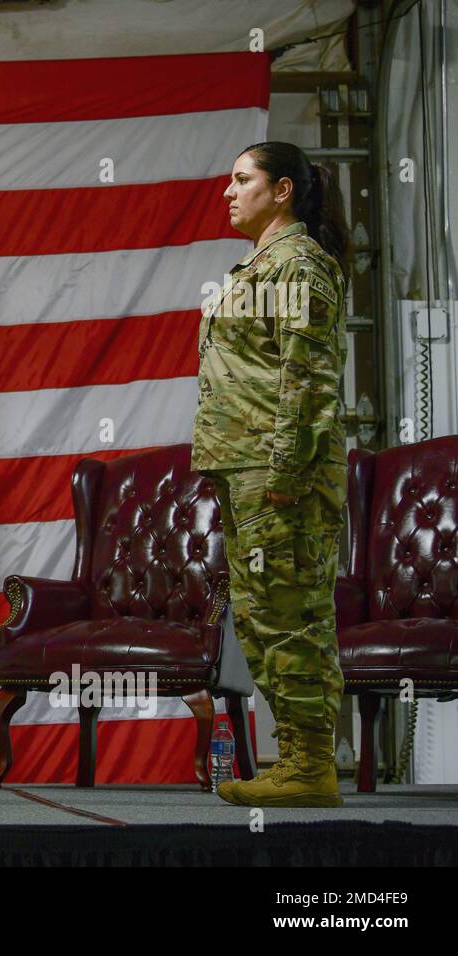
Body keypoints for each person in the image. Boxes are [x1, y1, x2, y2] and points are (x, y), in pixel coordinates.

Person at [192, 140, 350, 807]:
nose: (228, 192)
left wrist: (287, 467)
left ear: (281, 189)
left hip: (279, 471)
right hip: (246, 467)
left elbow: (306, 377)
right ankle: (296, 759)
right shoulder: (256, 266)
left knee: (292, 612)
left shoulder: (298, 268)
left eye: (241, 179)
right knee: (260, 613)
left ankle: (312, 765)